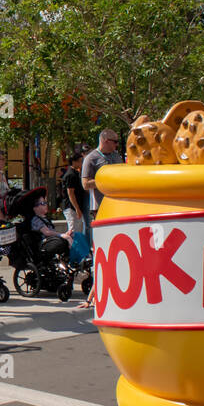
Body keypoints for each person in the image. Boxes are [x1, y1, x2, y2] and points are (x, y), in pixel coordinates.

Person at [77, 129, 123, 309]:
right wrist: (105, 181)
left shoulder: (116, 156)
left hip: (118, 206)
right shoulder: (91, 158)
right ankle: (94, 295)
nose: (116, 145)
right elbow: (85, 183)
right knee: (102, 251)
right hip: (100, 209)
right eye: (114, 141)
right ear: (104, 140)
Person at [61, 149, 89, 239]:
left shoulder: (76, 173)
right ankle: (71, 246)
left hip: (76, 206)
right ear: (74, 162)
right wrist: (77, 208)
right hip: (71, 207)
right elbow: (70, 193)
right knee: (73, 231)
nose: (81, 163)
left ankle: (76, 246)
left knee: (78, 230)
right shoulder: (70, 175)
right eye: (80, 161)